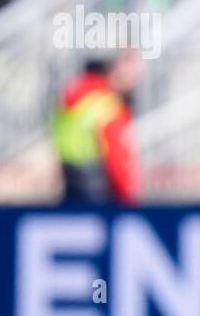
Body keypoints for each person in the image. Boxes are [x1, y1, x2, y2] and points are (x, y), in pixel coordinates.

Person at [51, 50, 142, 204]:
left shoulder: (73, 97)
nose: (137, 73)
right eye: (129, 62)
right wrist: (128, 198)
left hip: (71, 188)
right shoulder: (108, 106)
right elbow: (117, 160)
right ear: (114, 68)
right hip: (101, 193)